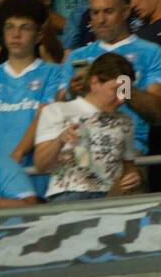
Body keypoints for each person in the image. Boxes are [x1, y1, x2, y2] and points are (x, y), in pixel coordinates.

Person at [61, 0, 161, 155]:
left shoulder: (151, 52)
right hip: (82, 153)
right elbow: (58, 108)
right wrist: (72, 92)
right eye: (95, 13)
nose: (100, 19)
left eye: (108, 11)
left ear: (126, 11)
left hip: (130, 153)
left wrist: (121, 86)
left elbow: (158, 112)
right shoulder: (76, 56)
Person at [0, 0, 66, 170]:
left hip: (33, 173)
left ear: (39, 34)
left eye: (25, 28)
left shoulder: (54, 73)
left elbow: (43, 116)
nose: (16, 34)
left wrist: (17, 154)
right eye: (9, 27)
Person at [33, 52, 142, 201]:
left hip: (110, 197)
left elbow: (129, 165)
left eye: (126, 92)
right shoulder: (57, 110)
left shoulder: (125, 121)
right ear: (95, 83)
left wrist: (132, 177)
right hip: (68, 193)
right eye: (116, 90)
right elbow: (40, 165)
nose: (122, 99)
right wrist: (59, 141)